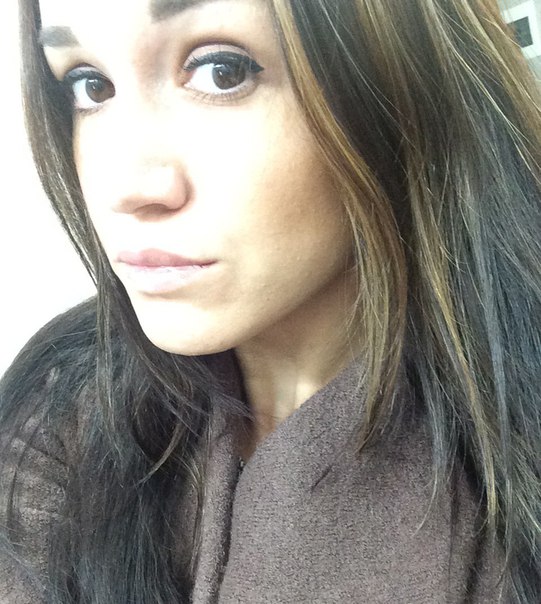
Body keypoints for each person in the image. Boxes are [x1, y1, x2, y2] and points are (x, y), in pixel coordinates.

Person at [1, 0, 540, 601]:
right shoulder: (62, 404)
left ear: (403, 80)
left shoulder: (513, 477)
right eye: (90, 85)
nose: (124, 187)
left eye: (221, 71)